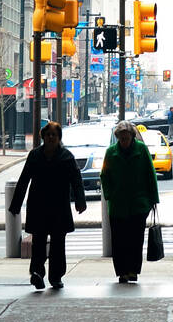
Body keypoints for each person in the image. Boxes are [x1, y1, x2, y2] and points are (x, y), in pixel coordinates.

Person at [8, 121, 86, 289]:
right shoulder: (34, 155)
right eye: (48, 135)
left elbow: (76, 180)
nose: (51, 137)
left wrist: (80, 201)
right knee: (38, 243)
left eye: (54, 135)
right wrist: (16, 205)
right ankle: (37, 273)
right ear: (43, 136)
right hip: (38, 205)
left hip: (60, 206)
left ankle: (56, 276)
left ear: (59, 138)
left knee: (58, 243)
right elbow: (23, 180)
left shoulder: (67, 156)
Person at [101, 120, 159, 283]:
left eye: (126, 138)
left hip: (138, 204)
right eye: (121, 139)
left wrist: (153, 199)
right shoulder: (110, 152)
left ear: (132, 137)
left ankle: (133, 270)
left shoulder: (141, 149)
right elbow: (104, 175)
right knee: (119, 240)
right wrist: (109, 194)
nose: (124, 141)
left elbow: (150, 174)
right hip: (117, 204)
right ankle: (122, 272)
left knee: (135, 239)